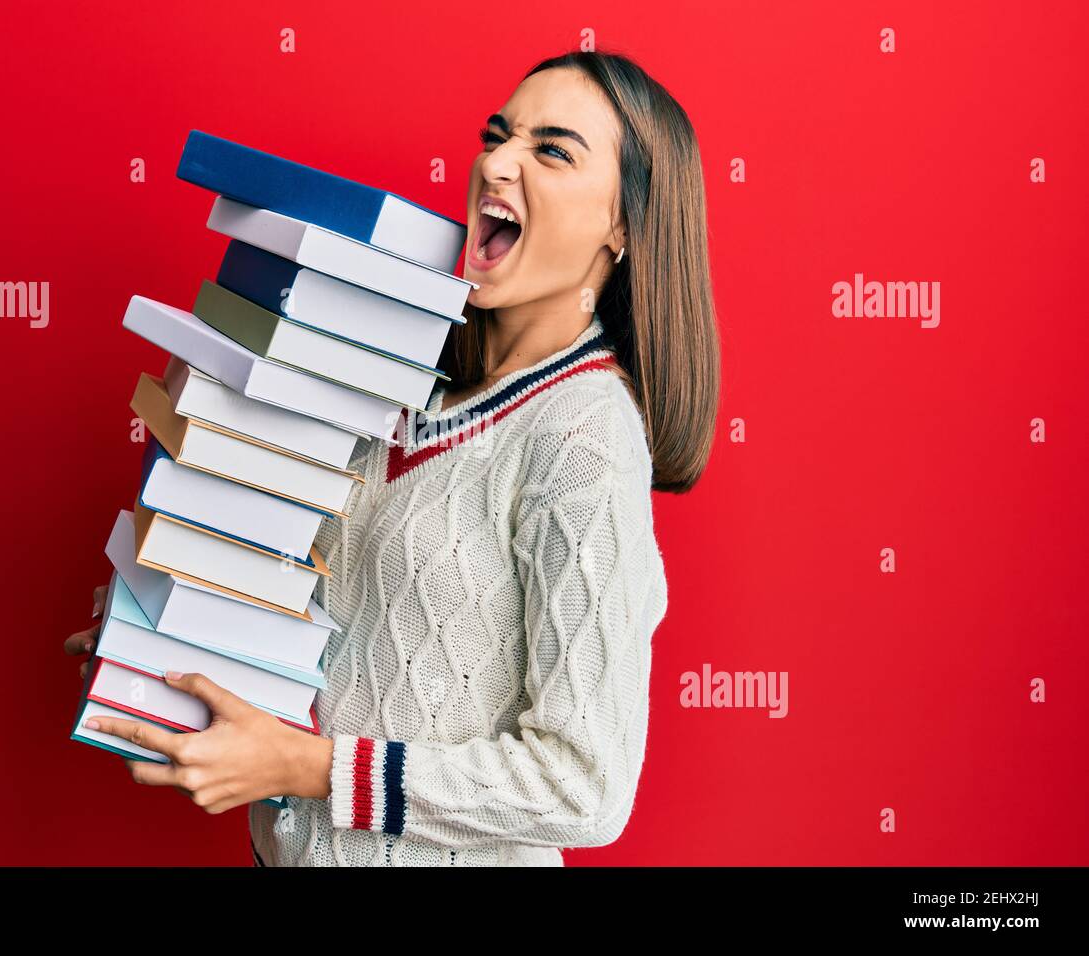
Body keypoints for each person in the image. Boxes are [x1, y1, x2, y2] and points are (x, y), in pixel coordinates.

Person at [65, 48, 720, 866]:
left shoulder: (583, 437)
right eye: (498, 135)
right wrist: (165, 632)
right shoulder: (400, 383)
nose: (498, 163)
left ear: (622, 224)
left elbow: (584, 783)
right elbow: (339, 633)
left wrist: (307, 768)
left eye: (551, 151)